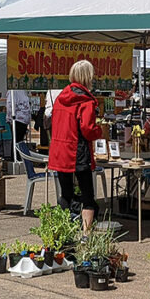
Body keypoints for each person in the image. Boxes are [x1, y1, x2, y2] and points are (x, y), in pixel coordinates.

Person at [47, 60, 103, 234]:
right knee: (87, 195)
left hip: (60, 150)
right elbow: (88, 129)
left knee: (66, 194)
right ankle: (86, 234)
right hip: (78, 150)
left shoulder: (61, 97)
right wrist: (99, 131)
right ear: (88, 77)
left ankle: (63, 231)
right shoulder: (86, 101)